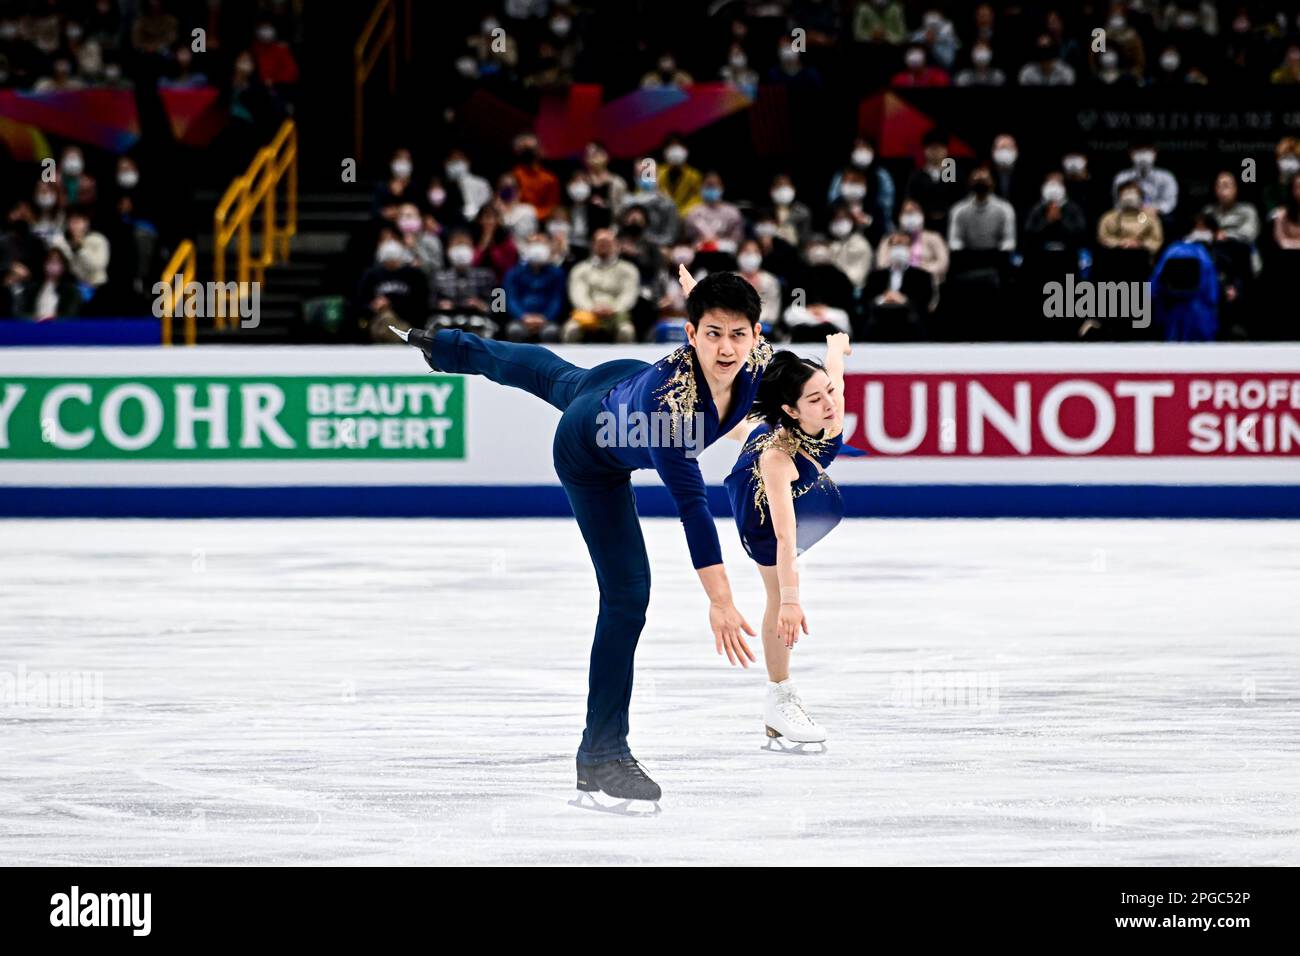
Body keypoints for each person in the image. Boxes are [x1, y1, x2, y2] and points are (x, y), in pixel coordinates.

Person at [397, 269, 774, 804]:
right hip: (588, 448)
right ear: (689, 335)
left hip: (616, 379)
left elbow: (758, 360)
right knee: (627, 597)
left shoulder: (756, 360)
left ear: (757, 335)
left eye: (739, 335)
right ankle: (601, 754)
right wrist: (721, 600)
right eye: (712, 333)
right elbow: (692, 508)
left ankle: (445, 346)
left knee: (546, 372)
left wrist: (705, 300)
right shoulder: (675, 413)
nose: (727, 348)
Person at [723, 335, 855, 745]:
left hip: (789, 447)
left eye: (826, 394)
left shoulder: (830, 416)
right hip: (760, 509)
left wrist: (837, 349)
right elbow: (785, 535)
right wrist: (791, 601)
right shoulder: (775, 458)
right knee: (776, 596)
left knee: (744, 422)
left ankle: (727, 421)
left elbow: (836, 378)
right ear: (791, 409)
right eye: (814, 400)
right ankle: (779, 700)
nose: (829, 403)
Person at [564, 228, 639, 343]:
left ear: (616, 245)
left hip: (617, 315)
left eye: (608, 243)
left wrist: (614, 309)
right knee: (571, 330)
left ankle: (624, 361)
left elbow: (629, 295)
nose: (604, 246)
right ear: (593, 245)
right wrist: (592, 308)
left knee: (626, 331)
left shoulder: (628, 270)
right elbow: (578, 295)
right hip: (587, 314)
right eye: (600, 243)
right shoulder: (580, 269)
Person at [502, 233, 565, 342]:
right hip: (521, 319)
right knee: (514, 330)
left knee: (551, 332)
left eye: (541, 243)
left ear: (548, 248)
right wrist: (523, 316)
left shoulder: (557, 273)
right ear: (526, 248)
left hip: (547, 320)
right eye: (533, 243)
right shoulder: (513, 273)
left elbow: (557, 299)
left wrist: (545, 318)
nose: (537, 248)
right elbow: (511, 299)